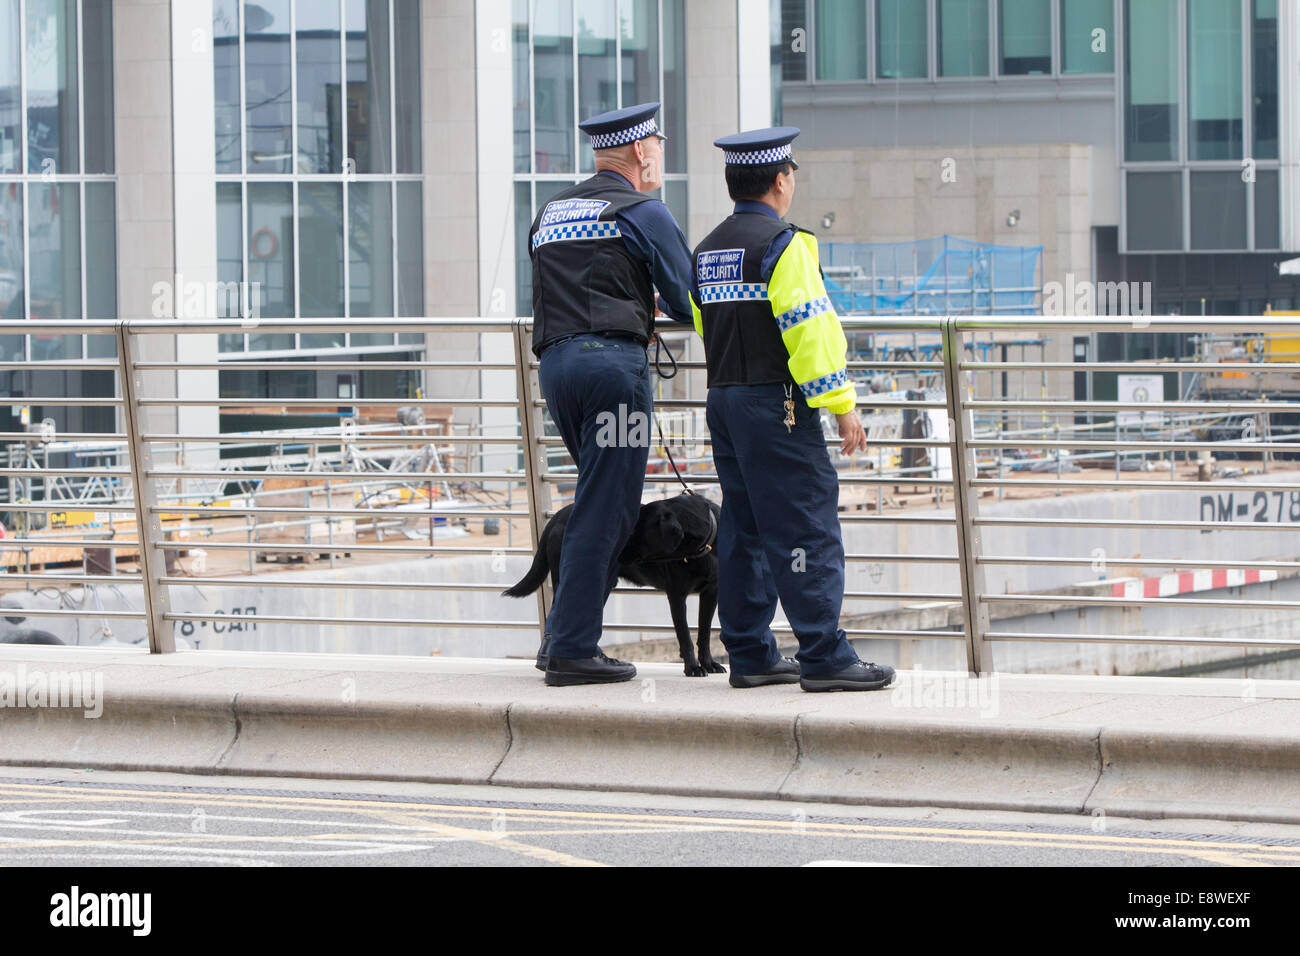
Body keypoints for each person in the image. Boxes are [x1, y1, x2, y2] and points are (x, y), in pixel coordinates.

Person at [688, 126, 896, 692]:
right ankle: (825, 654)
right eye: (792, 176)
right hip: (775, 404)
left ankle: (751, 653)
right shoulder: (787, 246)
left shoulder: (708, 250)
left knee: (744, 525)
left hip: (724, 398)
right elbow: (810, 331)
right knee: (805, 523)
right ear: (781, 181)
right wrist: (841, 404)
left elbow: (704, 324)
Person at [528, 102, 696, 686]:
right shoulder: (643, 210)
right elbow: (687, 297)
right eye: (660, 148)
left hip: (557, 369)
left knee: (599, 496)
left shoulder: (550, 212)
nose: (660, 159)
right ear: (643, 152)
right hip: (612, 373)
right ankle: (572, 648)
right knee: (611, 505)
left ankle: (560, 641)